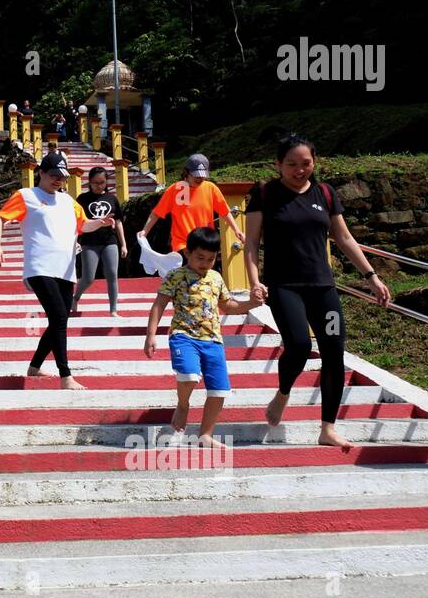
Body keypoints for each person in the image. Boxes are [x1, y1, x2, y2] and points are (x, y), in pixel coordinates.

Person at [244, 133, 391, 448]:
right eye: (292, 164)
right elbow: (251, 243)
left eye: (306, 163)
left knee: (334, 351)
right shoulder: (265, 195)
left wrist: (371, 276)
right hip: (283, 287)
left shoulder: (325, 193)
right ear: (278, 164)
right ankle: (283, 393)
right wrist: (255, 281)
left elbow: (345, 238)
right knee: (297, 345)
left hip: (323, 287)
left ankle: (328, 427)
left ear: (315, 161)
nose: (300, 170)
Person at [0, 151, 111, 390]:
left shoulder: (68, 201)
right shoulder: (26, 196)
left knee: (60, 318)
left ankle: (34, 367)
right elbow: (1, 217)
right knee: (58, 316)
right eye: (54, 175)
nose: (58, 180)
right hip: (40, 267)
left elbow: (83, 225)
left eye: (62, 177)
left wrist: (99, 223)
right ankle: (65, 376)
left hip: (65, 269)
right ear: (42, 173)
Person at [143, 227, 262, 447]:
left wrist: (250, 304)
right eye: (200, 257)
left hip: (213, 341)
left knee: (219, 390)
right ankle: (183, 405)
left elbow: (227, 305)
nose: (204, 263)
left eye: (210, 258)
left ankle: (206, 434)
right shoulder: (175, 275)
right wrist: (151, 334)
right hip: (183, 336)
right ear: (187, 253)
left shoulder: (216, 278)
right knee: (188, 375)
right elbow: (159, 303)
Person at [138, 152, 245, 259]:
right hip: (183, 245)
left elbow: (225, 212)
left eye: (202, 176)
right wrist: (145, 231)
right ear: (187, 172)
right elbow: (157, 213)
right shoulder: (175, 189)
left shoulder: (211, 188)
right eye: (196, 176)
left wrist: (237, 230)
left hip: (205, 243)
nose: (200, 179)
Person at [72, 167, 127, 316]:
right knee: (89, 277)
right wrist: (75, 240)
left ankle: (113, 310)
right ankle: (75, 298)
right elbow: (77, 222)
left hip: (110, 241)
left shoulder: (112, 198)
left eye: (102, 182)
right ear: (89, 182)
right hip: (89, 242)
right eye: (95, 182)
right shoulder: (82, 199)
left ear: (106, 182)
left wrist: (123, 244)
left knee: (112, 274)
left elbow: (119, 222)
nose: (99, 185)